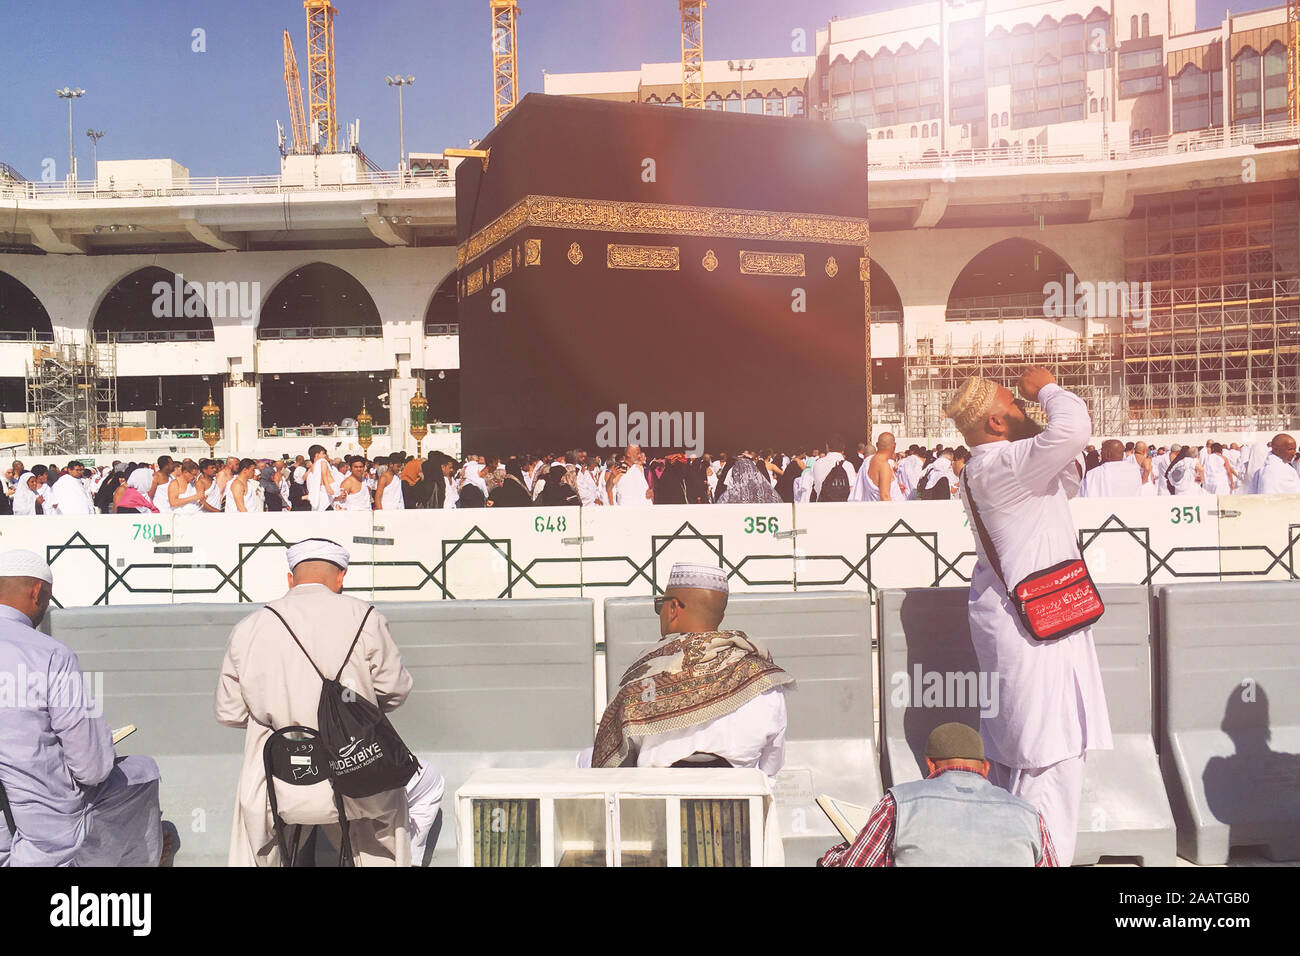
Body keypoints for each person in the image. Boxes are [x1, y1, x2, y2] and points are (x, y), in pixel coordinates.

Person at [943, 367, 1112, 866]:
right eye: (1015, 405)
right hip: (1035, 630)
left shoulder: (995, 464)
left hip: (1034, 622)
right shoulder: (1007, 464)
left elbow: (1071, 475)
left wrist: (1030, 416)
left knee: (1017, 754)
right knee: (1048, 757)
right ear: (997, 423)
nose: (1026, 406)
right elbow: (1074, 429)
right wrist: (1048, 388)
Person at [216, 538, 414, 866]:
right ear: (341, 577)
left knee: (249, 810)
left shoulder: (247, 628)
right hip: (357, 779)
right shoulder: (365, 616)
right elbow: (395, 690)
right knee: (396, 803)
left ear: (290, 579)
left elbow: (229, 711)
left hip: (277, 787)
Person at [0, 549, 164, 866]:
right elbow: (91, 768)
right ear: (37, 592)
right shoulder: (51, 654)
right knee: (143, 772)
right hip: (43, 832)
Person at [586, 563, 794, 777]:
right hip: (738, 806)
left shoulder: (644, 678)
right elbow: (770, 768)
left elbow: (613, 765)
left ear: (673, 608)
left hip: (655, 805)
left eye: (661, 605)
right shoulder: (765, 682)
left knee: (582, 760)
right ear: (720, 618)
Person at [818, 722, 1058, 867]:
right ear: (985, 768)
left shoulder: (897, 804)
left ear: (930, 765)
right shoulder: (1028, 815)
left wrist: (831, 857)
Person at [851, 433, 901, 502]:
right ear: (894, 446)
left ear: (877, 445)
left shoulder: (868, 461)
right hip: (888, 511)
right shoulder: (884, 465)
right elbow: (885, 497)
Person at [305, 444, 337, 512]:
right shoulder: (322, 461)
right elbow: (324, 475)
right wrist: (329, 489)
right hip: (328, 488)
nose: (325, 455)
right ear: (317, 455)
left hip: (322, 490)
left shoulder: (313, 466)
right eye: (323, 453)